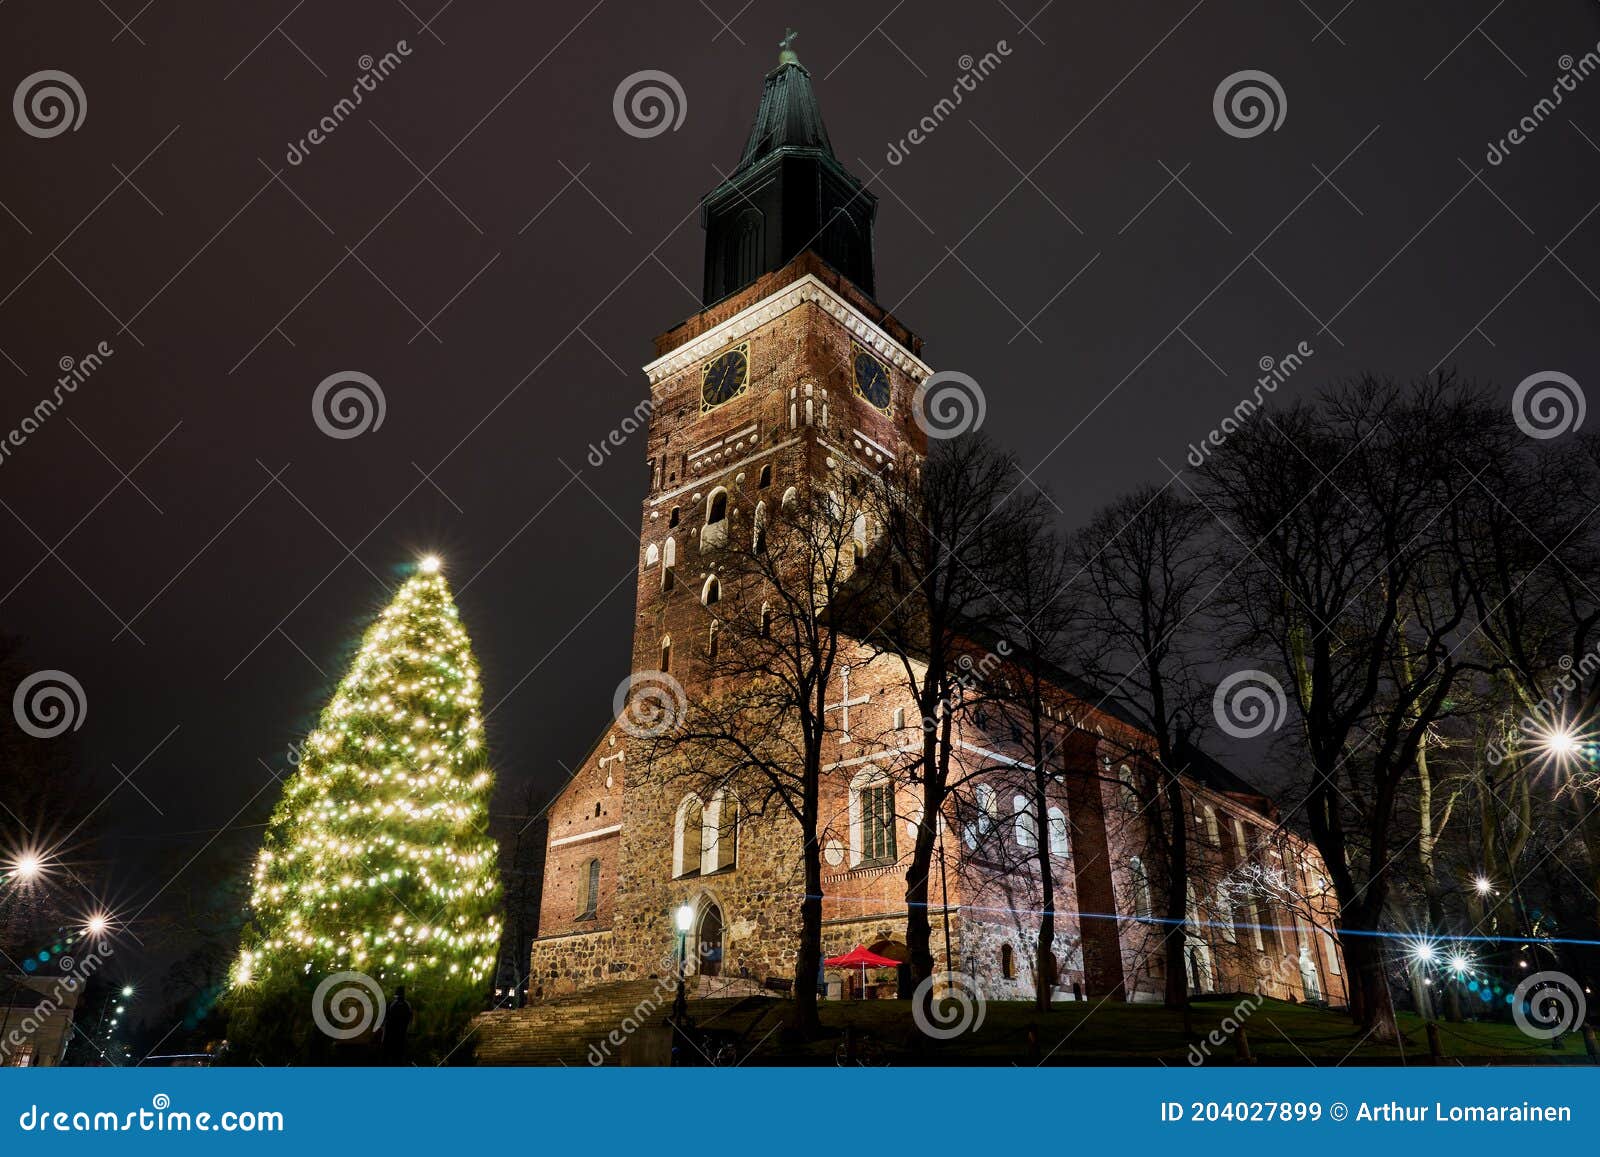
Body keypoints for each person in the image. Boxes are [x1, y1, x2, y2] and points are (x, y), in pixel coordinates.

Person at [379, 986, 412, 1064]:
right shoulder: (407, 1004)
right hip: (402, 1034)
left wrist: (382, 1028)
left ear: (396, 993)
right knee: (398, 1056)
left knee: (387, 1055)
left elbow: (385, 1017)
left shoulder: (391, 1003)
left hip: (390, 1034)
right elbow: (410, 1018)